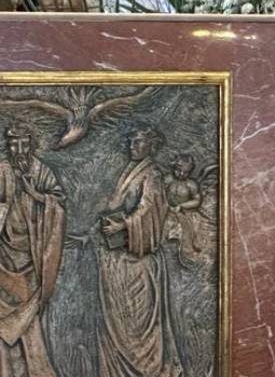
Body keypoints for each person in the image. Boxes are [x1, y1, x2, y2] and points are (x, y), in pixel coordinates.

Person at [97, 127, 183, 376]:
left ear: (151, 146)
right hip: (120, 258)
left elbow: (150, 209)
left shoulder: (152, 174)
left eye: (138, 141)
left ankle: (148, 371)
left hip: (139, 261)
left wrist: (122, 225)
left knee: (140, 323)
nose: (132, 145)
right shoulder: (130, 171)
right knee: (121, 322)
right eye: (131, 140)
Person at [0, 123, 66, 374]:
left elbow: (58, 202)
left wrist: (36, 195)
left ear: (31, 144)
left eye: (23, 143)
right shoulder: (2, 170)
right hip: (4, 256)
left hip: (31, 255)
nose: (18, 149)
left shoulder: (41, 171)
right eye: (13, 144)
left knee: (28, 317)